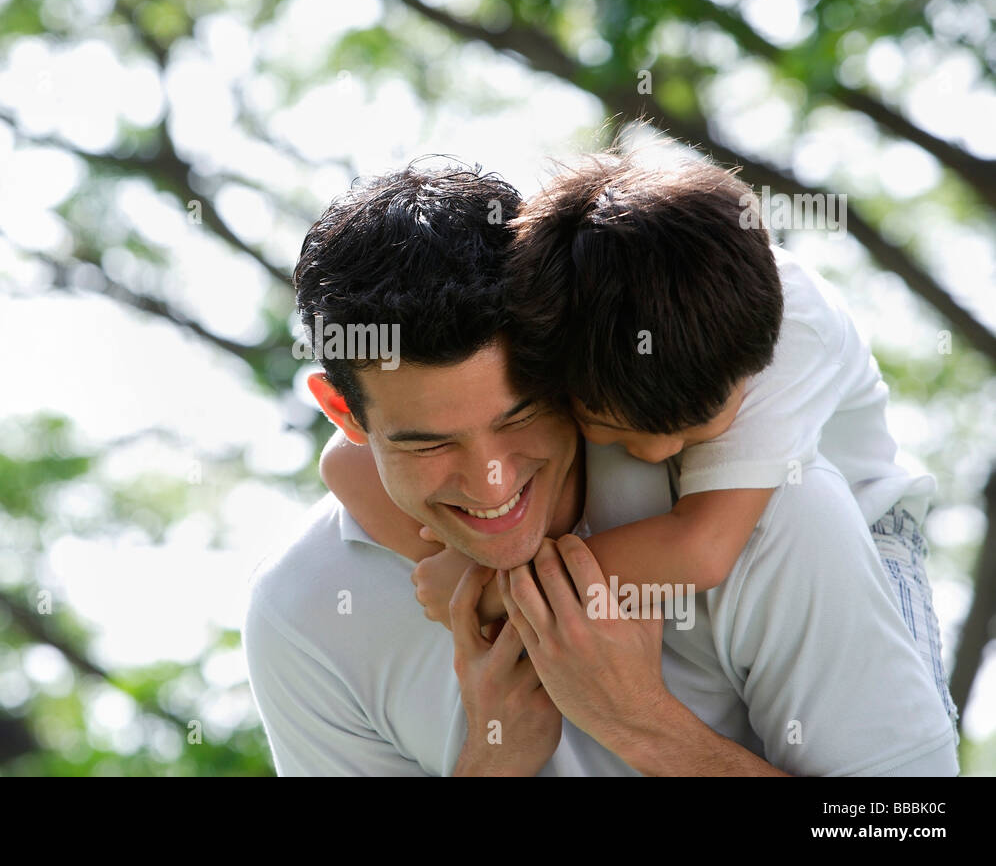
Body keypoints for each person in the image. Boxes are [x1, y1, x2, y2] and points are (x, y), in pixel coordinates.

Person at [242, 160, 958, 775]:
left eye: (518, 417)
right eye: (428, 443)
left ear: (565, 357)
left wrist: (646, 725)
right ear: (345, 414)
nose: (491, 482)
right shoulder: (304, 615)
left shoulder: (771, 517)